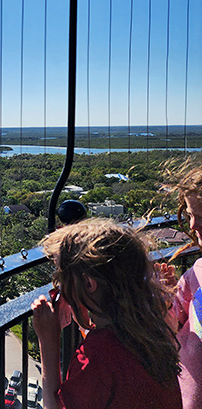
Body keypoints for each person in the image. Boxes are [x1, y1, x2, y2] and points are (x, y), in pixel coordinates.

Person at [31, 218, 182, 409]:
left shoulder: (96, 359)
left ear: (88, 284)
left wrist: (48, 341)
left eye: (62, 276)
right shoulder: (150, 331)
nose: (59, 285)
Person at [168, 166, 202, 409]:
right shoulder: (196, 275)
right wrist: (165, 297)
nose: (192, 226)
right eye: (190, 215)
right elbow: (170, 326)